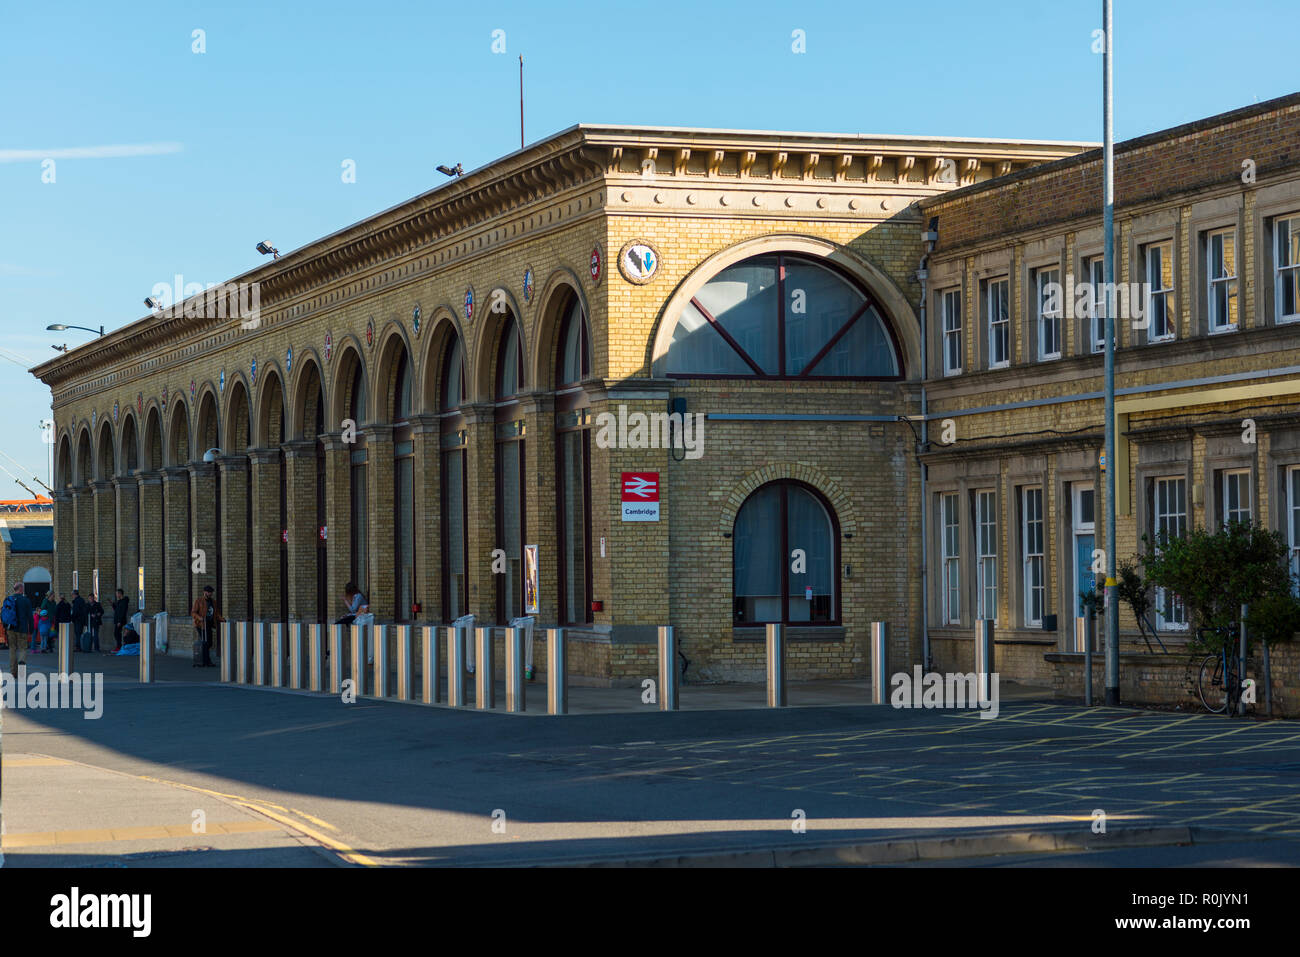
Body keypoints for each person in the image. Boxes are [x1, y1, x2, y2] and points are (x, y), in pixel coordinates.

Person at [4, 583, 33, 677]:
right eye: (23, 588)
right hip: (22, 629)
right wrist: (31, 629)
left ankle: (13, 672)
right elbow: (30, 616)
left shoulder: (8, 599)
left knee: (12, 649)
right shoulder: (26, 600)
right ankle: (21, 666)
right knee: (22, 648)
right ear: (20, 589)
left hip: (10, 628)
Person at [190, 585, 224, 667]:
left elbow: (216, 613)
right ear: (204, 592)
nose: (210, 594)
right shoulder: (199, 601)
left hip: (209, 624)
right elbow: (193, 612)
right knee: (205, 642)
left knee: (209, 643)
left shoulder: (213, 602)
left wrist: (222, 619)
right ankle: (206, 661)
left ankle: (204, 660)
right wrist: (199, 618)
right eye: (208, 592)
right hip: (201, 624)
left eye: (211, 592)